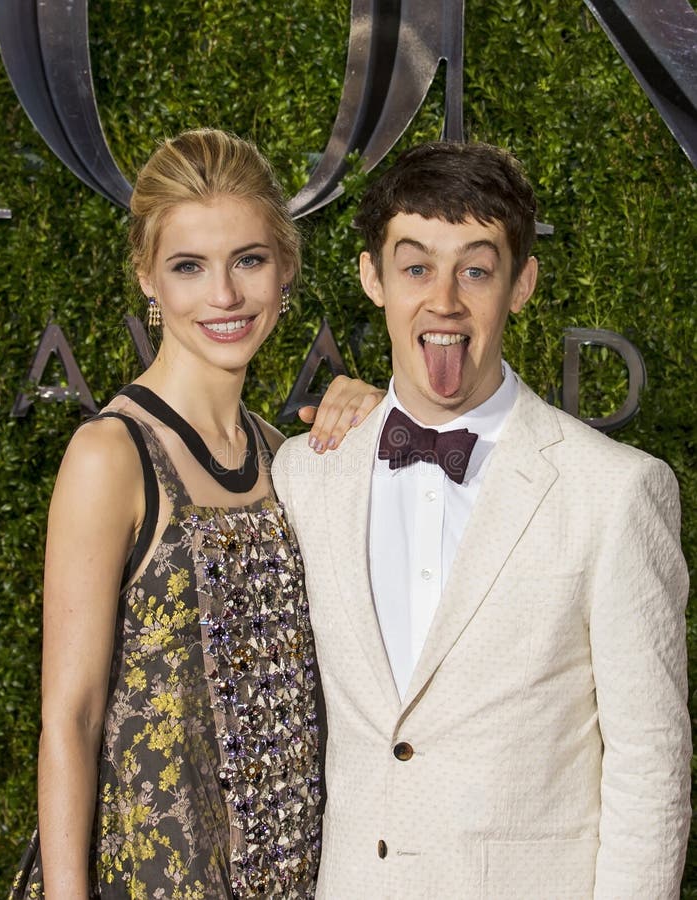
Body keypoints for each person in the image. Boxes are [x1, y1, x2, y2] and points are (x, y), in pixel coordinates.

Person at [273, 141, 691, 898]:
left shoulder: (616, 492)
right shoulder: (305, 475)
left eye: (475, 270)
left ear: (521, 284)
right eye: (416, 268)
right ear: (373, 278)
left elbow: (652, 765)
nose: (444, 300)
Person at [11, 128, 382, 900]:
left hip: (285, 876)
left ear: (285, 268)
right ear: (147, 277)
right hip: (146, 877)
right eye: (189, 266)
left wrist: (384, 421)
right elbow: (71, 719)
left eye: (248, 260)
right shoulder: (111, 455)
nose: (224, 296)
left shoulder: (284, 458)